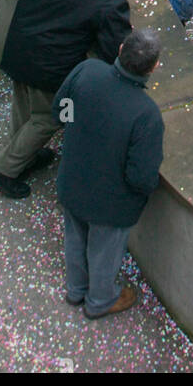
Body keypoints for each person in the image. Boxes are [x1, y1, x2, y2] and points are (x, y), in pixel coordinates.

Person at [0, 0, 136, 200]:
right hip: (52, 66)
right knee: (48, 118)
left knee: (24, 103)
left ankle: (22, 155)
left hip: (19, 42)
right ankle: (4, 169)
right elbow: (114, 48)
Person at [52, 27, 164, 318]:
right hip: (111, 204)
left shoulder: (87, 70)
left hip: (73, 180)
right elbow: (141, 177)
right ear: (153, 68)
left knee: (74, 237)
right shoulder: (146, 114)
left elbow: (59, 112)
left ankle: (76, 290)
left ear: (120, 49)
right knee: (104, 252)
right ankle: (100, 301)